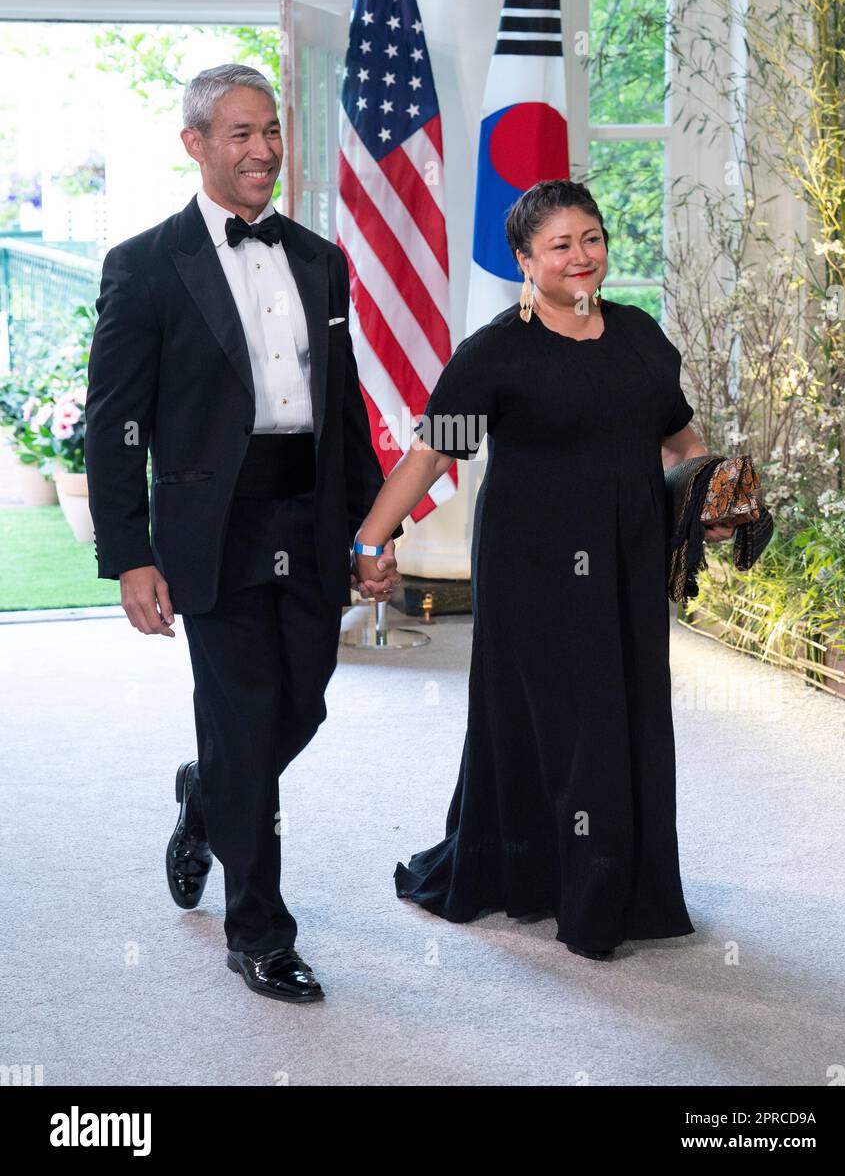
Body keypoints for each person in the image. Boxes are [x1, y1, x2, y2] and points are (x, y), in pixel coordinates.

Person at [353, 178, 734, 961]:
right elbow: (431, 452)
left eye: (590, 238)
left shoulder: (636, 334)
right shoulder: (497, 351)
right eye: (560, 245)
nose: (581, 256)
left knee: (624, 708)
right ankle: (557, 886)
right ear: (525, 259)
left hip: (627, 554)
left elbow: (679, 436)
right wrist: (370, 538)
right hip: (533, 560)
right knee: (562, 716)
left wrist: (711, 494)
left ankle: (622, 882)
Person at [84, 63, 400, 1003]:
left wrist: (372, 530)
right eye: (240, 135)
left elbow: (344, 408)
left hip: (309, 513)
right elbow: (114, 423)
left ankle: (204, 792)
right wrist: (132, 553)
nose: (262, 151)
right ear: (195, 144)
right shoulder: (143, 265)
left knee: (299, 703)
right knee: (248, 711)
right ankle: (258, 931)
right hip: (209, 527)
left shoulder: (319, 258)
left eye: (270, 132)